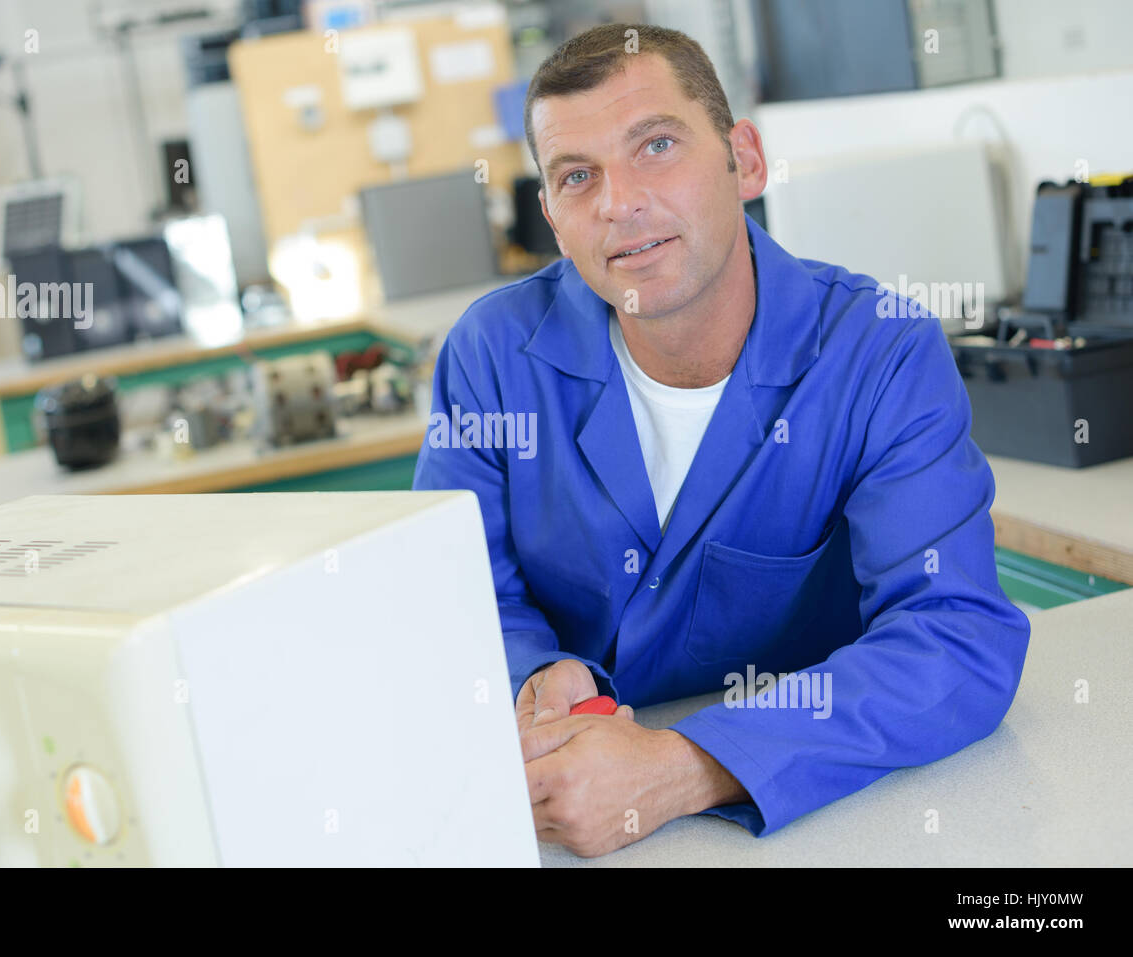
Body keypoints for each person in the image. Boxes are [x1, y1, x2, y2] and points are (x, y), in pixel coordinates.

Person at [412, 23, 1030, 858]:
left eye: (656, 145)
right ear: (554, 218)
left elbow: (956, 637)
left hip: (808, 829)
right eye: (576, 176)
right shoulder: (491, 356)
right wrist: (533, 673)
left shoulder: (879, 355)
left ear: (745, 158)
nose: (618, 201)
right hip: (557, 811)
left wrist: (685, 766)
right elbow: (451, 593)